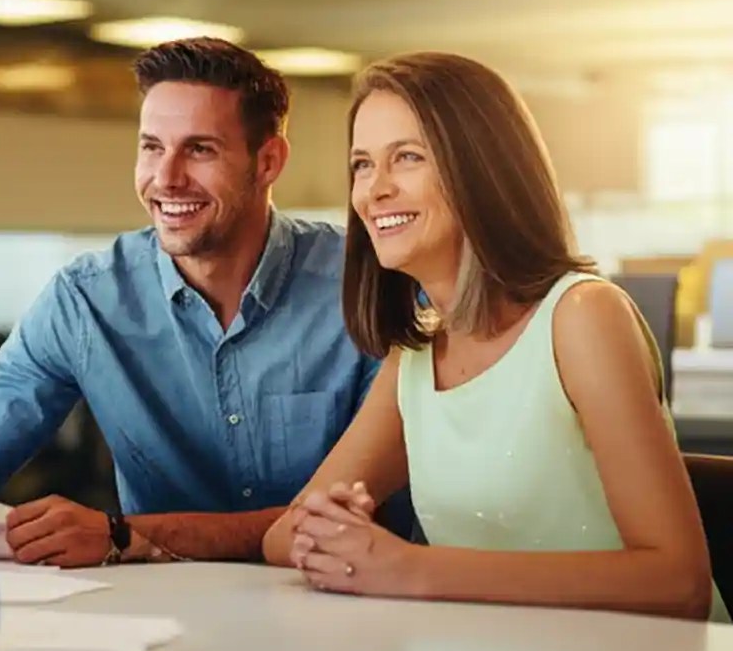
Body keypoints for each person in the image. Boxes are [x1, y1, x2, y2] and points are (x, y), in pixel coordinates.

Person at [261, 52, 728, 622]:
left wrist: (411, 568)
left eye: (406, 157)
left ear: (481, 168)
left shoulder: (583, 316)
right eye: (362, 164)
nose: (373, 191)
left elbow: (678, 581)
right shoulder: (416, 355)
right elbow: (283, 536)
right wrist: (332, 532)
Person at [0, 37, 388, 568]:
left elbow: (355, 519)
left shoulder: (364, 286)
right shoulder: (85, 300)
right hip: (163, 624)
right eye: (152, 146)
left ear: (268, 160)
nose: (166, 178)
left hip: (353, 620)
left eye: (200, 149)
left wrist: (125, 534)